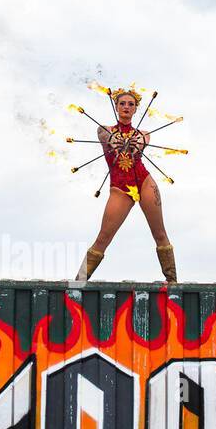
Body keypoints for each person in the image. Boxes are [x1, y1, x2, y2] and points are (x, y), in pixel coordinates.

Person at [74, 88, 177, 283]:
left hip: (144, 182)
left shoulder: (144, 134)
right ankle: (78, 282)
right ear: (116, 106)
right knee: (103, 238)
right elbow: (106, 138)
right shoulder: (104, 129)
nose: (126, 107)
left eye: (131, 104)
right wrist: (114, 141)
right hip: (120, 187)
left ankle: (172, 282)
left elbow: (140, 143)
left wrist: (133, 144)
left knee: (160, 233)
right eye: (122, 104)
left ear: (136, 108)